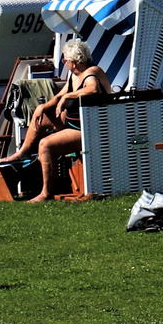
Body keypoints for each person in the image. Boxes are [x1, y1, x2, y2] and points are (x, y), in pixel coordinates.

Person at [18, 39, 113, 202]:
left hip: (89, 130)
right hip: (73, 122)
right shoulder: (73, 75)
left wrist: (68, 96)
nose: (63, 62)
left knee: (45, 144)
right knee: (41, 115)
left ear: (74, 62)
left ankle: (45, 193)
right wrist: (43, 107)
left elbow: (93, 89)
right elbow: (59, 95)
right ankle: (23, 152)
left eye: (65, 59)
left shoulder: (92, 72)